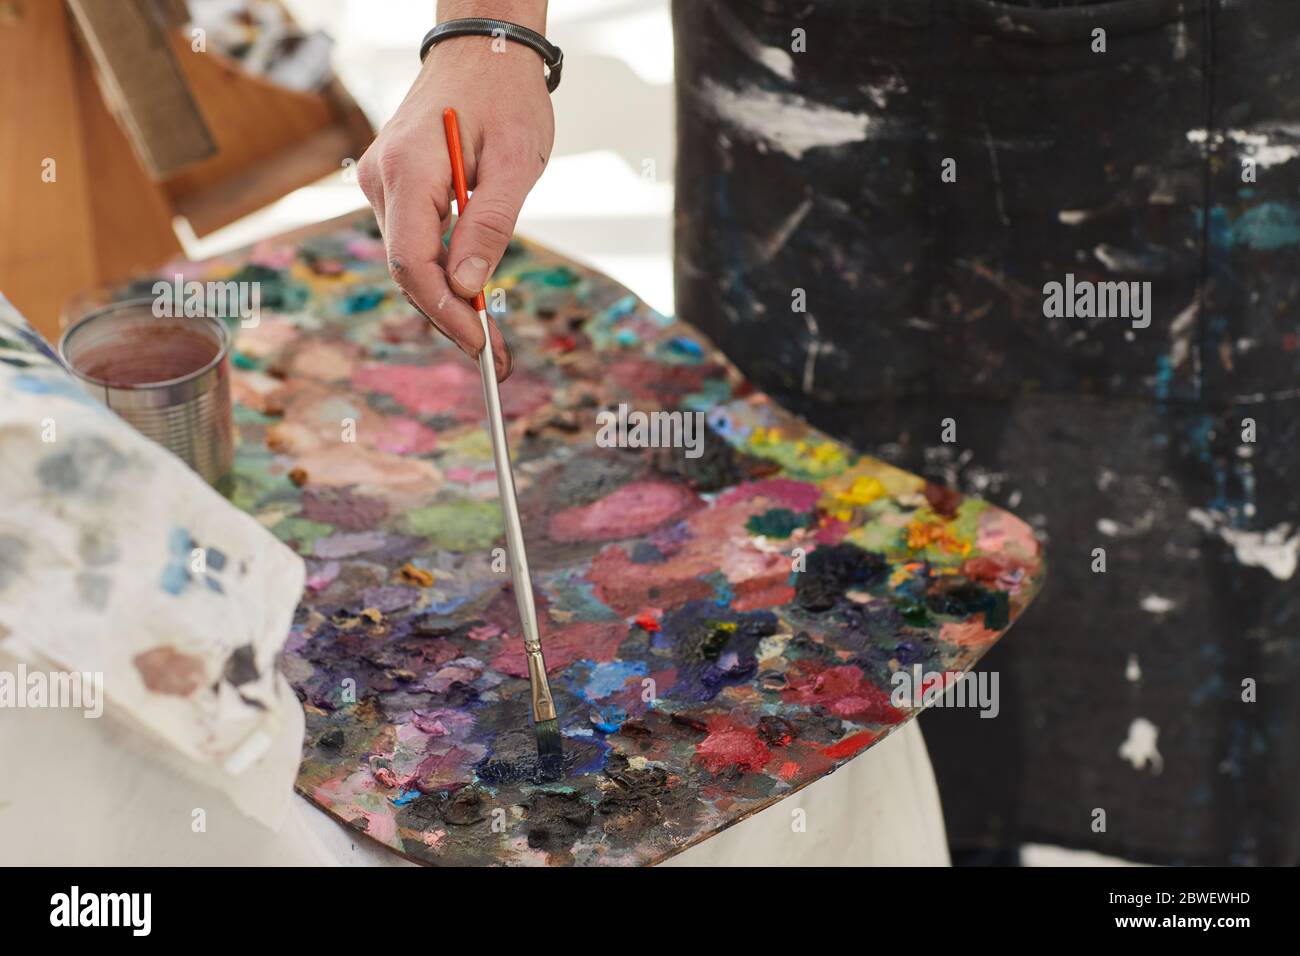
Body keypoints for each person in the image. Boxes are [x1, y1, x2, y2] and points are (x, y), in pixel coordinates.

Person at [359, 0, 1300, 866]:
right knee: (801, 563)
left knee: (1197, 551)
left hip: (1202, 82)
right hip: (809, 76)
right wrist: (492, 30)